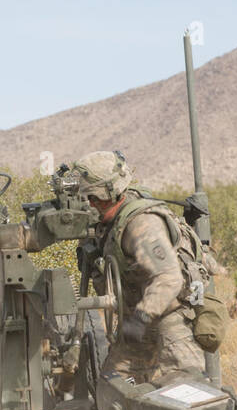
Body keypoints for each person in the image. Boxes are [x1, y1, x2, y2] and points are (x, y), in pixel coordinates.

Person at [71, 150, 215, 384]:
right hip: (138, 323)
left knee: (185, 396)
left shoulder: (141, 224)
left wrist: (139, 320)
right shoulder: (107, 221)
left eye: (90, 198)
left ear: (103, 195)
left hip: (170, 320)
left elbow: (169, 278)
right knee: (114, 392)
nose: (87, 204)